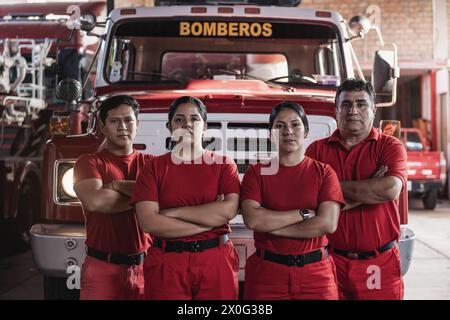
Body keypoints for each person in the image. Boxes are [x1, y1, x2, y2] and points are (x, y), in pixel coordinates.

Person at [306, 78, 408, 300]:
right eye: (346, 104)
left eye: (361, 104)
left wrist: (329, 191)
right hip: (328, 260)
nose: (353, 110)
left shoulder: (390, 147)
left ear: (373, 111)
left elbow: (390, 189)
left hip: (378, 262)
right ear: (336, 111)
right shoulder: (317, 150)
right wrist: (369, 187)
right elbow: (308, 199)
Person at [130, 96, 241, 300]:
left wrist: (173, 213)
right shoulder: (153, 168)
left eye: (194, 119)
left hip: (215, 262)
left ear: (205, 126)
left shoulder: (225, 165)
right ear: (169, 126)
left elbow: (228, 210)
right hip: (167, 263)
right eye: (179, 119)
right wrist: (209, 222)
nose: (187, 124)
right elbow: (149, 221)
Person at [240, 101, 345, 300]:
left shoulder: (324, 173)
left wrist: (272, 227)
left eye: (295, 124)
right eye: (280, 126)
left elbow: (327, 223)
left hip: (316, 275)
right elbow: (253, 220)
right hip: (267, 276)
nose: (288, 131)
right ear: (271, 134)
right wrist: (303, 214)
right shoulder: (256, 173)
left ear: (306, 131)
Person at [73, 95, 153, 300]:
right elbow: (96, 201)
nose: (123, 127)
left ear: (138, 125)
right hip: (101, 268)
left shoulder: (152, 164)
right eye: (114, 121)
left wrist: (115, 185)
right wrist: (146, 198)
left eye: (128, 120)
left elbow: (167, 197)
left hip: (148, 267)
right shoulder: (87, 163)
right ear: (102, 126)